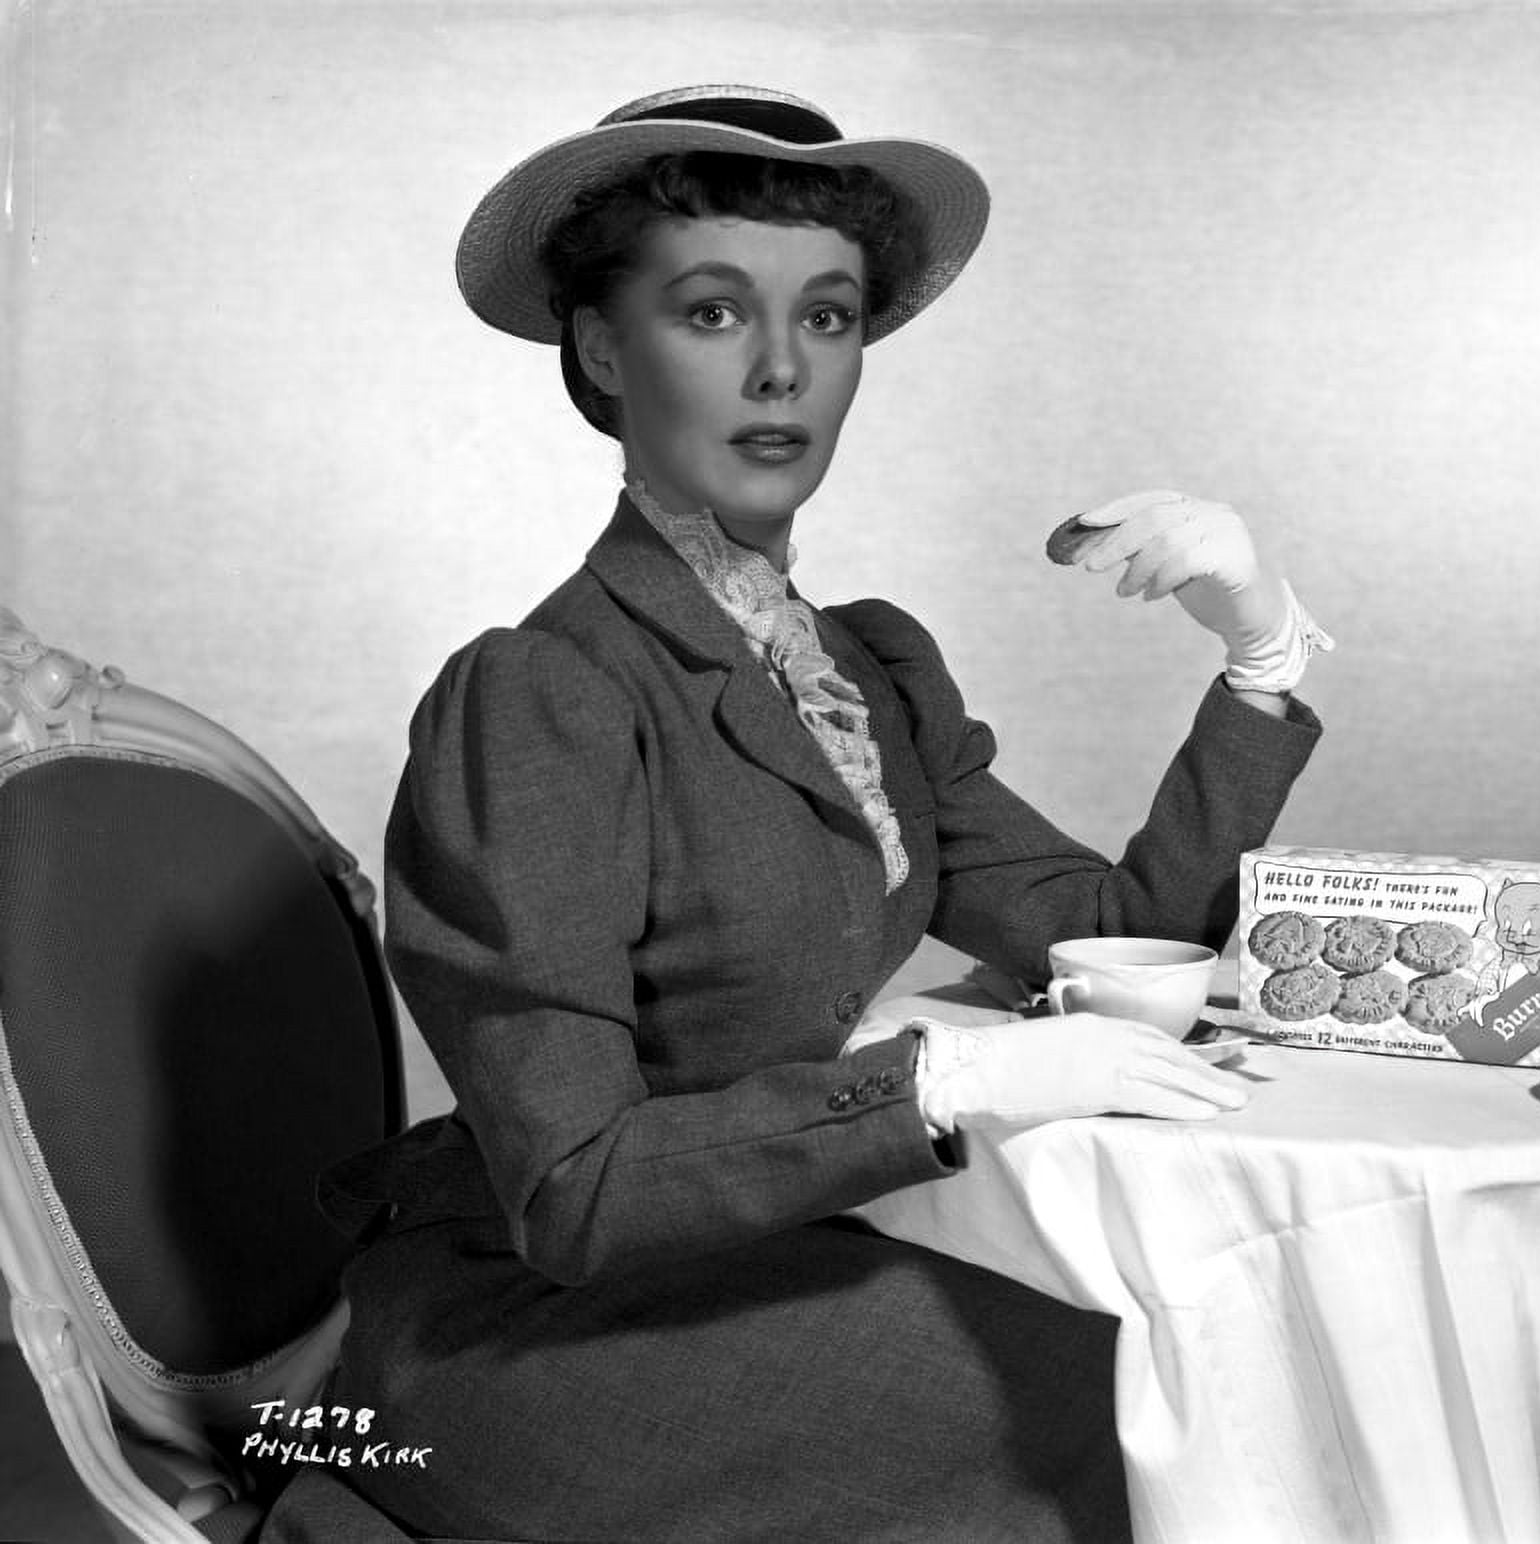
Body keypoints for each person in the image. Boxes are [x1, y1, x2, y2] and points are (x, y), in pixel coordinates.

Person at [264, 84, 1328, 1543]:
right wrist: (937, 1087)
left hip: (770, 1247)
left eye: (826, 318)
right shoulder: (544, 697)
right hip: (537, 1324)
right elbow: (575, 1192)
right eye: (710, 313)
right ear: (599, 348)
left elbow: (1113, 943)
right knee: (1150, 1387)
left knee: (1210, 1336)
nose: (780, 370)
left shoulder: (868, 668)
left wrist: (1258, 657)